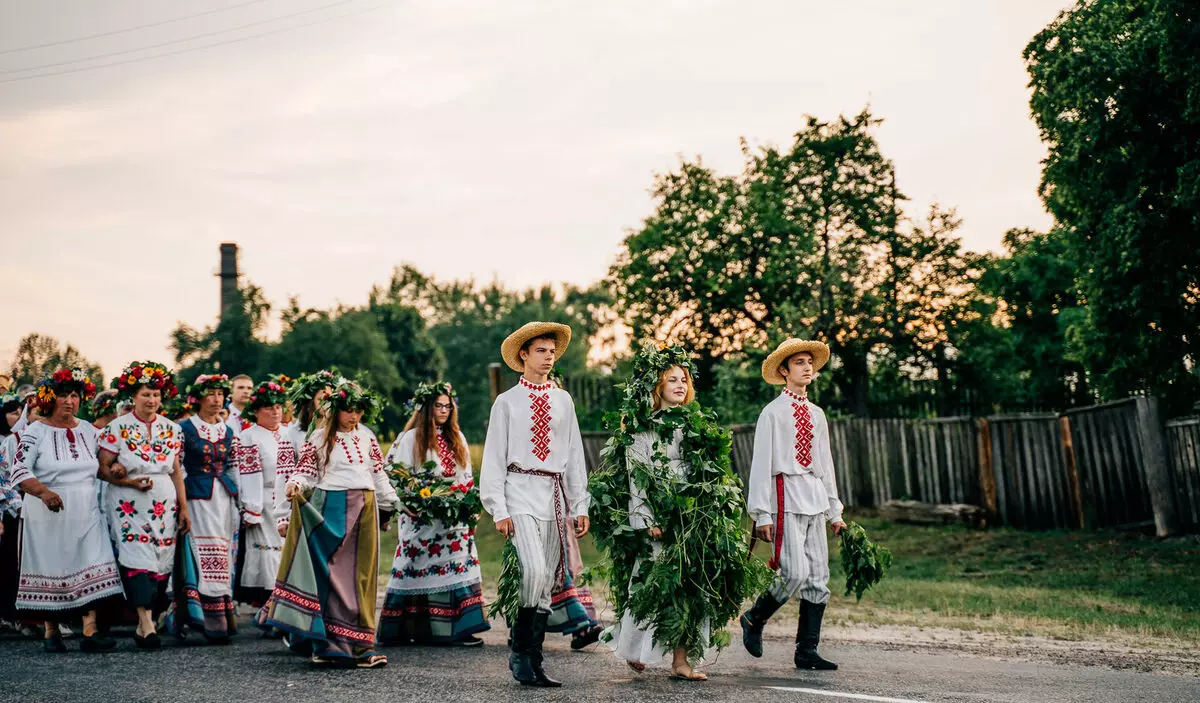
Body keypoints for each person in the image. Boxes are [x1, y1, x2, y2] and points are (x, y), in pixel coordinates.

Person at [481, 322, 593, 688]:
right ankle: (518, 651)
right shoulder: (507, 402)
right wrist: (498, 507)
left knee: (547, 581)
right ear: (524, 355)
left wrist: (580, 504)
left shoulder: (563, 399)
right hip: (519, 491)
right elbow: (495, 456)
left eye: (551, 351)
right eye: (540, 351)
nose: (548, 357)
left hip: (554, 494)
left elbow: (574, 454)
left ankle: (534, 659)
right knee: (533, 570)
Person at [259, 377, 399, 668]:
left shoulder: (368, 437)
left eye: (359, 410)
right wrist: (295, 484)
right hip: (329, 508)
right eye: (348, 410)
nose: (354, 416)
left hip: (365, 509)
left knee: (362, 577)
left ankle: (362, 648)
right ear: (335, 410)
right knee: (332, 577)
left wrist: (394, 502)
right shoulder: (320, 437)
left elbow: (378, 474)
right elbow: (306, 471)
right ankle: (327, 645)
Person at [602, 347, 715, 680]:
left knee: (690, 586)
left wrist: (705, 512)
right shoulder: (643, 428)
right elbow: (638, 477)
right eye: (672, 380)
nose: (680, 385)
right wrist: (646, 520)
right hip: (658, 515)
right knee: (651, 584)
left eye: (684, 379)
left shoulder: (697, 425)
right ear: (657, 386)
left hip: (691, 516)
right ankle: (634, 648)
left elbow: (707, 473)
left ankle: (681, 661)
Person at [740, 339, 846, 671]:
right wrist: (761, 513)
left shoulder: (817, 414)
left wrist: (835, 511)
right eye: (799, 362)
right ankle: (755, 618)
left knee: (817, 578)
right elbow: (761, 464)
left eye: (809, 362)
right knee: (794, 573)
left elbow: (825, 463)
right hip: (785, 497)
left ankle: (806, 651)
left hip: (814, 497)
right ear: (784, 370)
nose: (807, 367)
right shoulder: (772, 413)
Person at [10, 368, 123, 653]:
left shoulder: (87, 430)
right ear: (51, 398)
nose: (69, 401)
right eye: (63, 395)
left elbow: (103, 463)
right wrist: (44, 492)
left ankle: (90, 630)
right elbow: (19, 469)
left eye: (74, 395)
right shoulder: (36, 431)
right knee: (51, 566)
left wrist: (117, 468)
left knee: (92, 560)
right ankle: (51, 632)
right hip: (47, 512)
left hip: (86, 509)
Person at [378, 381, 489, 647]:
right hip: (421, 516)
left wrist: (470, 504)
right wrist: (409, 501)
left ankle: (459, 629)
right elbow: (392, 473)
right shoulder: (409, 439)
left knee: (458, 565)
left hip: (455, 518)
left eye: (448, 406)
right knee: (414, 564)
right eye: (438, 406)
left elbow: (466, 476)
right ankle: (410, 629)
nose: (444, 410)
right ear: (426, 408)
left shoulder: (457, 437)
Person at [97, 361, 189, 649]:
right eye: (146, 394)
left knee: (161, 559)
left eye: (156, 395)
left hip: (164, 500)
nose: (151, 400)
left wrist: (184, 507)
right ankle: (146, 623)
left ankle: (143, 624)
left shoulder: (171, 429)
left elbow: (175, 470)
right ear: (133, 397)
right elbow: (103, 469)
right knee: (138, 557)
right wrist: (128, 482)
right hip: (129, 502)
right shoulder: (118, 427)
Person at [166, 373, 240, 642]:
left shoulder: (228, 430)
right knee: (200, 550)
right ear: (198, 398)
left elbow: (233, 464)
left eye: (220, 394)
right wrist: (180, 500)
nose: (217, 398)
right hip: (196, 496)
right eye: (211, 393)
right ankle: (203, 615)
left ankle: (222, 610)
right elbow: (177, 465)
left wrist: (241, 499)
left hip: (222, 496)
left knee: (222, 550)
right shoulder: (185, 428)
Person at [233, 376, 296, 607]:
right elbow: (249, 476)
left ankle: (286, 604)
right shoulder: (249, 436)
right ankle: (269, 606)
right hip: (264, 503)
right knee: (269, 555)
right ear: (257, 411)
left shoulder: (289, 433)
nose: (276, 412)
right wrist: (252, 509)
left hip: (290, 501)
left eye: (278, 407)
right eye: (269, 408)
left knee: (287, 554)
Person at [0, 392, 25, 628]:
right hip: (6, 508)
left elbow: (7, 480)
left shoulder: (19, 439)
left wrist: (19, 507)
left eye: (21, 412)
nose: (17, 416)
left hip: (12, 510)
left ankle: (12, 613)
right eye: (12, 412)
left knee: (11, 563)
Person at [285, 370, 337, 455]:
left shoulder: (336, 432)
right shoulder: (292, 435)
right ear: (309, 403)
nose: (325, 404)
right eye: (321, 400)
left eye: (328, 399)